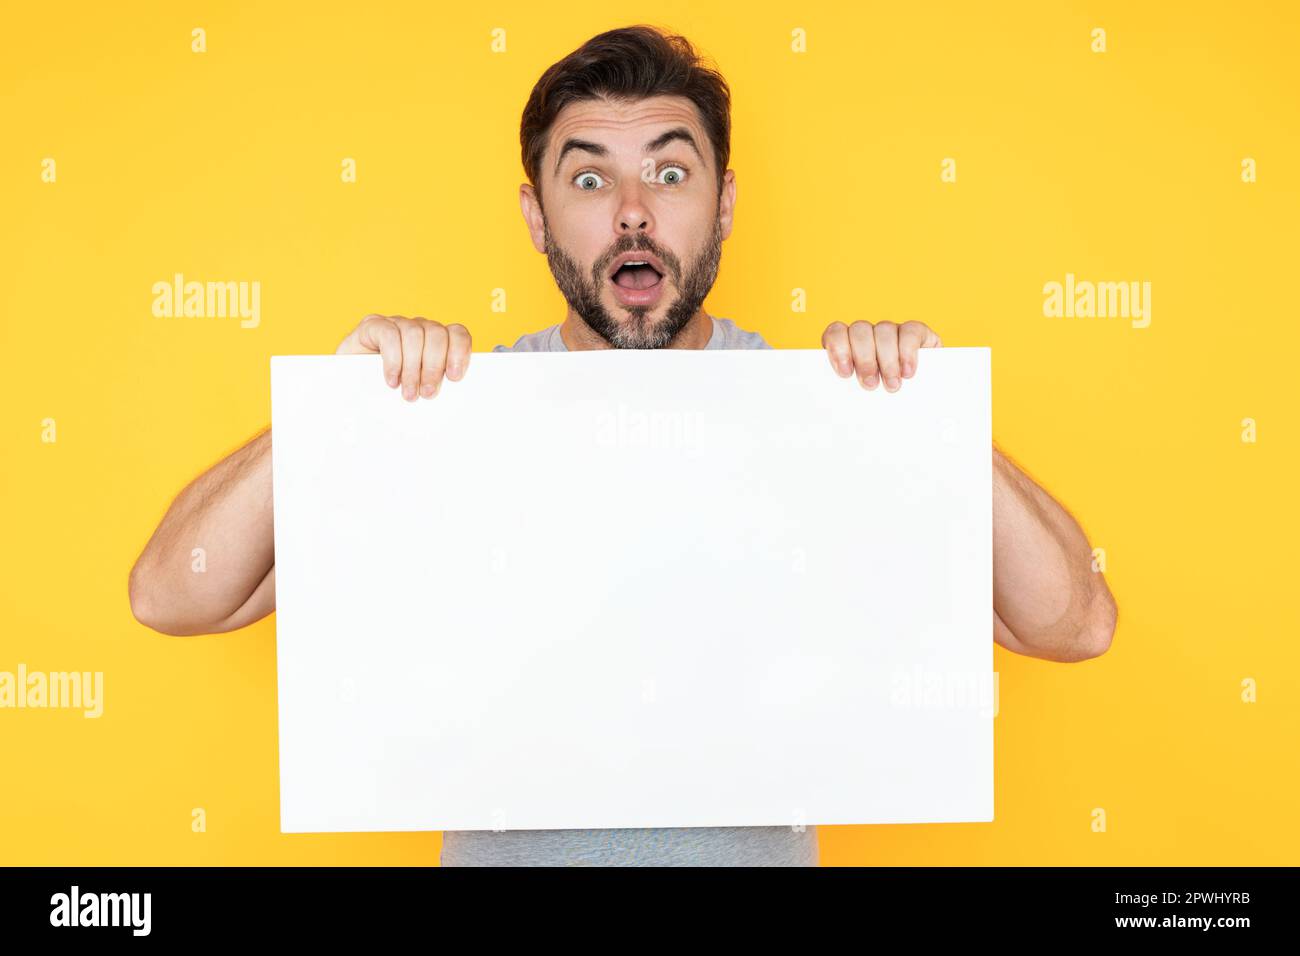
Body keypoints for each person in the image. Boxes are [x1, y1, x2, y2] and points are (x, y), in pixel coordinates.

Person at [129, 24, 1117, 867]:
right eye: (590, 175)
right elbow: (171, 595)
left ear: (724, 202)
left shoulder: (822, 419)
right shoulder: (442, 421)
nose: (633, 209)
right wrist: (336, 413)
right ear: (535, 214)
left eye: (671, 172)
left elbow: (1070, 623)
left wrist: (929, 421)